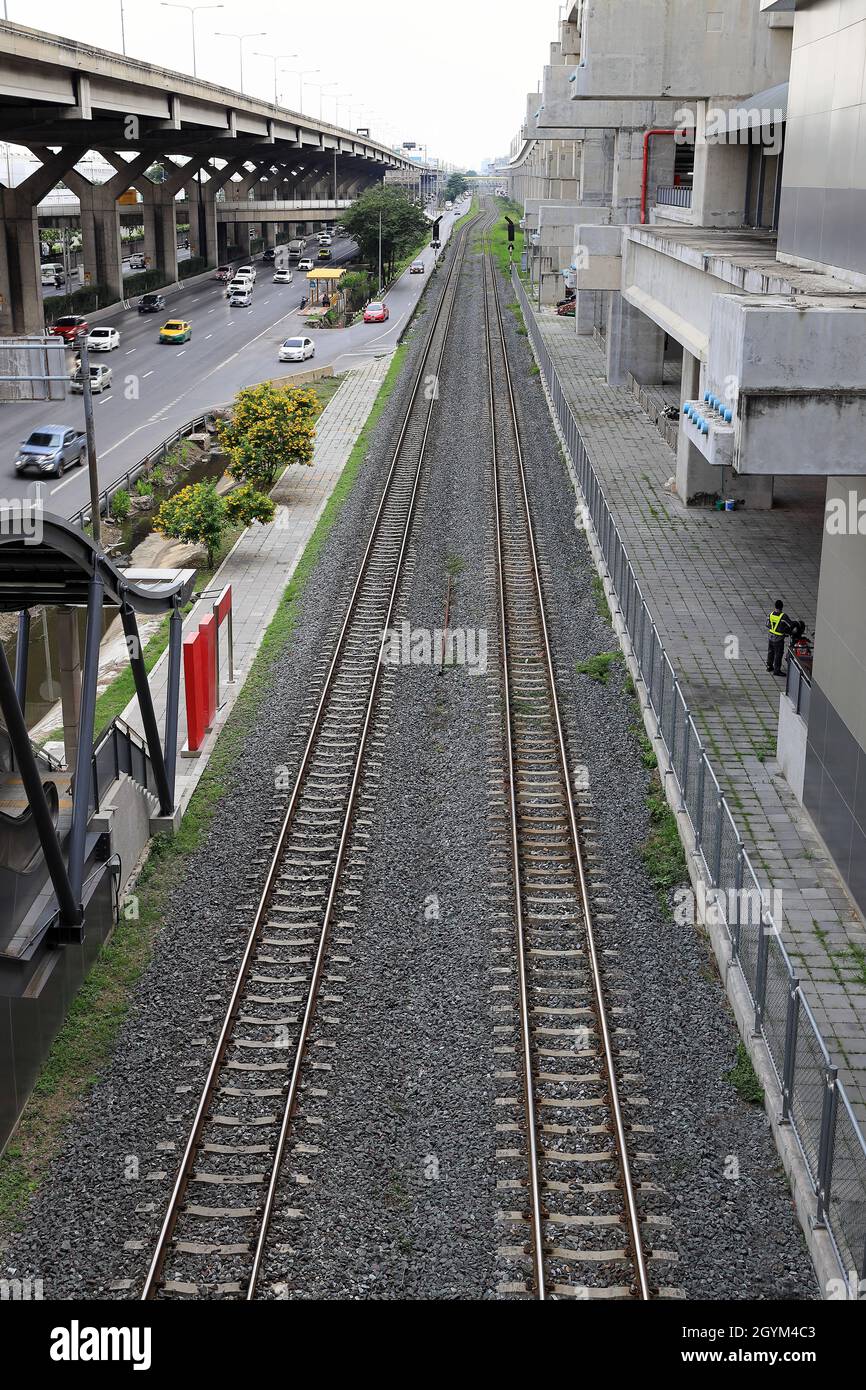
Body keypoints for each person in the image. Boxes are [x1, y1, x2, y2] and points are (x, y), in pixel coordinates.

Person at [767, 600, 794, 676]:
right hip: (779, 639)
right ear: (782, 607)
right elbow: (790, 625)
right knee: (778, 654)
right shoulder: (783, 616)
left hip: (770, 637)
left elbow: (767, 624)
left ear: (775, 606)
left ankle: (769, 666)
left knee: (770, 652)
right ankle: (777, 670)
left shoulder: (770, 614)